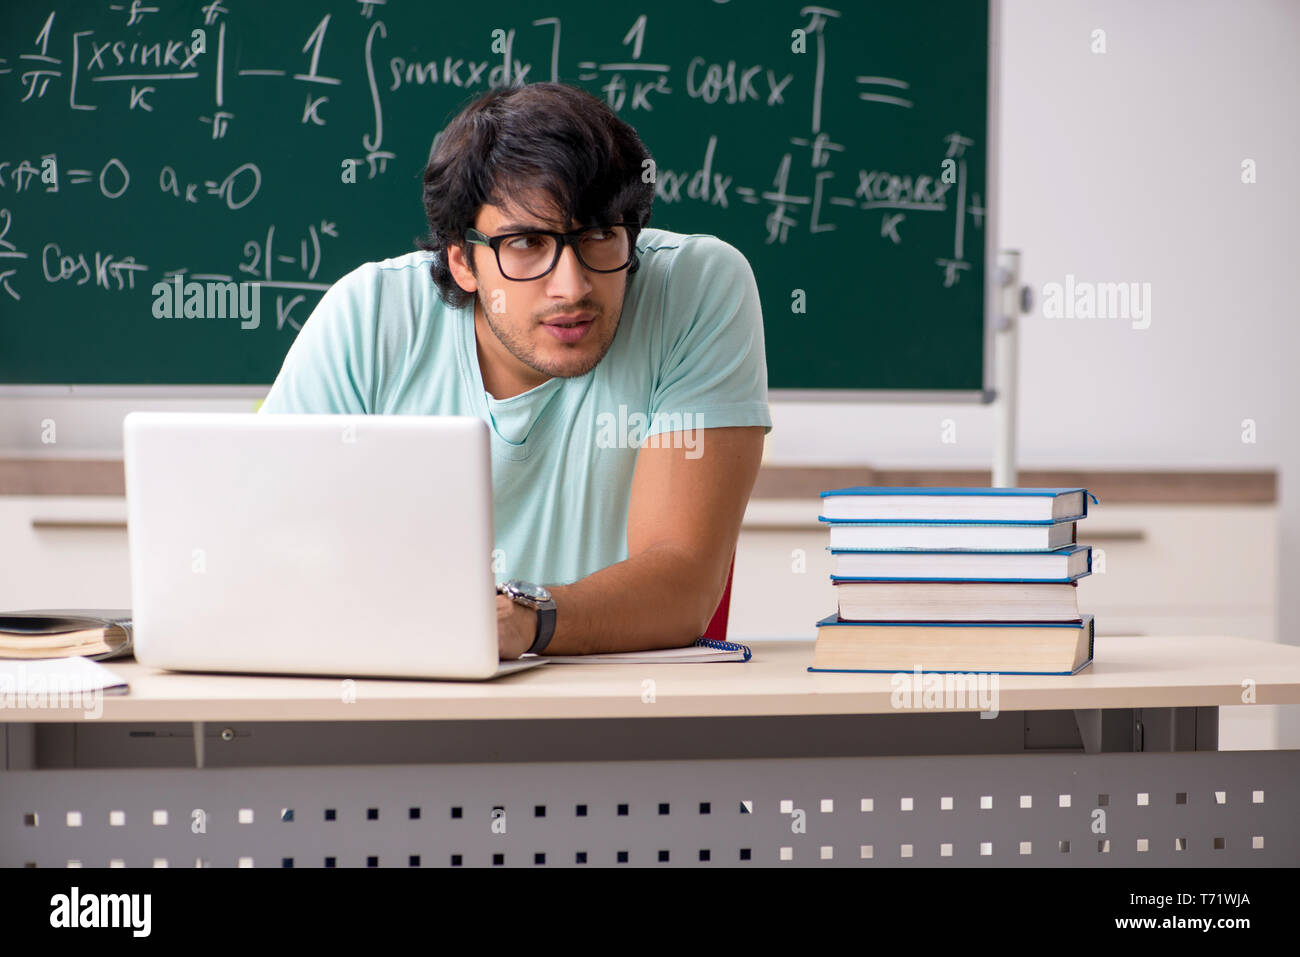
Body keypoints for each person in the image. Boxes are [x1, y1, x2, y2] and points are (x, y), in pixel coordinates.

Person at [260, 82, 771, 659]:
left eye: (601, 235)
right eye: (527, 242)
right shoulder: (369, 315)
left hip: (623, 707)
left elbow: (680, 584)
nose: (573, 287)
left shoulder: (696, 287)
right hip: (394, 688)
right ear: (462, 261)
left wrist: (524, 621)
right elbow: (267, 547)